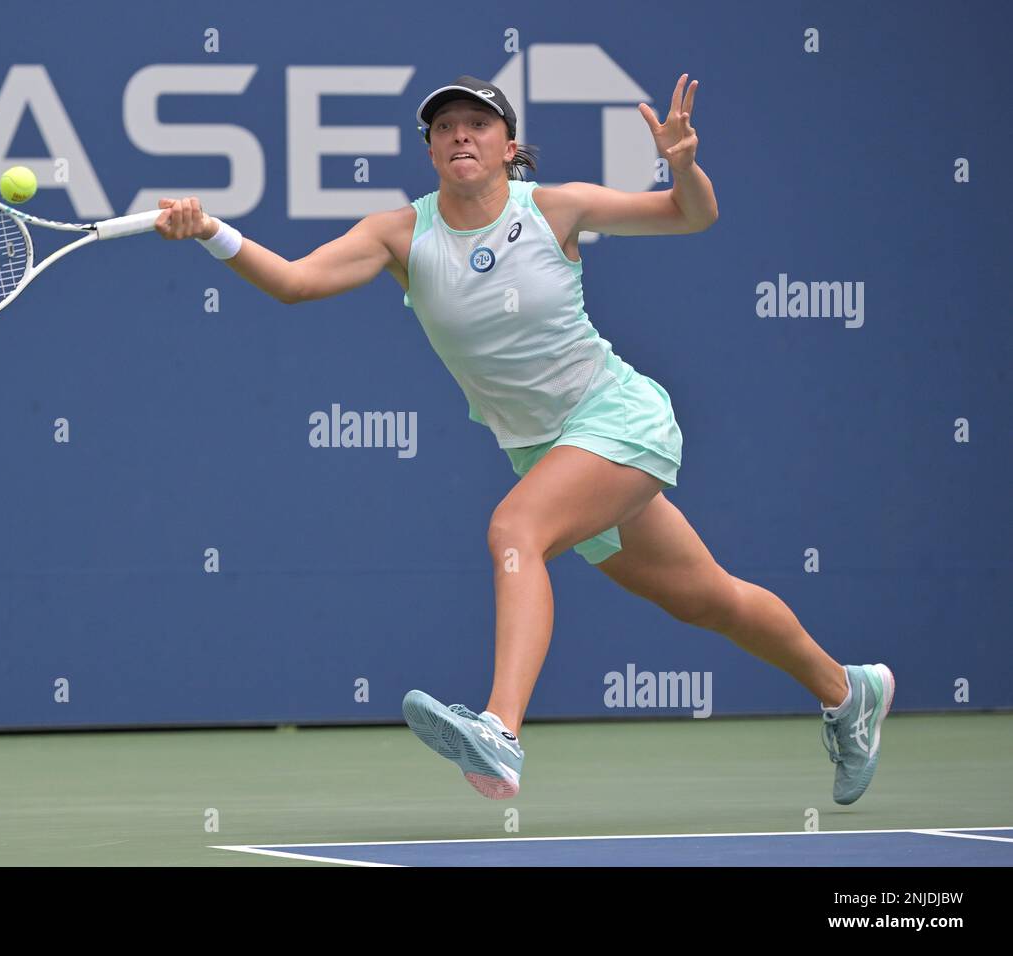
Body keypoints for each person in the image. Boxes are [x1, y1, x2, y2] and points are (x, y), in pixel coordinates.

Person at [152, 72, 894, 804]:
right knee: (709, 601)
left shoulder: (557, 209)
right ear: (432, 149)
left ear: (510, 146)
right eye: (445, 128)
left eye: (477, 124)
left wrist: (684, 166)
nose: (460, 136)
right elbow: (293, 281)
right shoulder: (399, 234)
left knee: (516, 527)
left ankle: (500, 732)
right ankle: (846, 691)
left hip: (617, 418)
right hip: (547, 452)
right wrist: (213, 231)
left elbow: (689, 216)